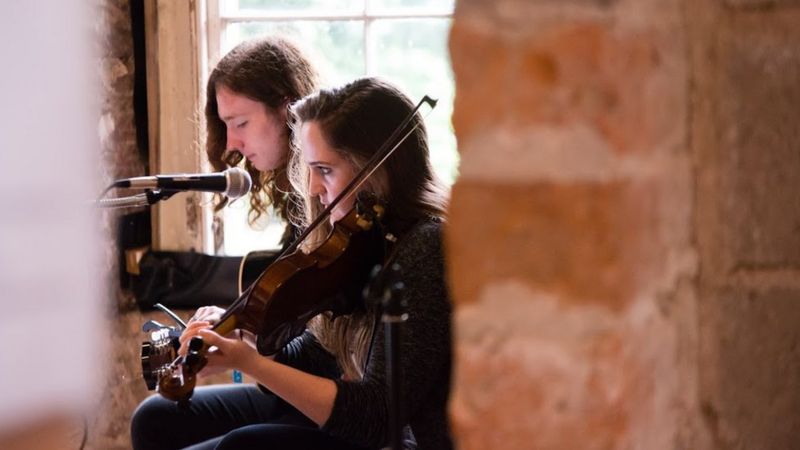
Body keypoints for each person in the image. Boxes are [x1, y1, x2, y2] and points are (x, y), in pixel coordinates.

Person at [131, 77, 454, 450]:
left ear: (377, 171)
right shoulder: (361, 240)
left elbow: (379, 418)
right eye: (311, 169)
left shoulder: (427, 247)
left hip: (412, 441)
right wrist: (243, 338)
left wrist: (252, 364)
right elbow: (319, 358)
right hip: (366, 425)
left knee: (246, 446)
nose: (314, 188)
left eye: (326, 170)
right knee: (157, 419)